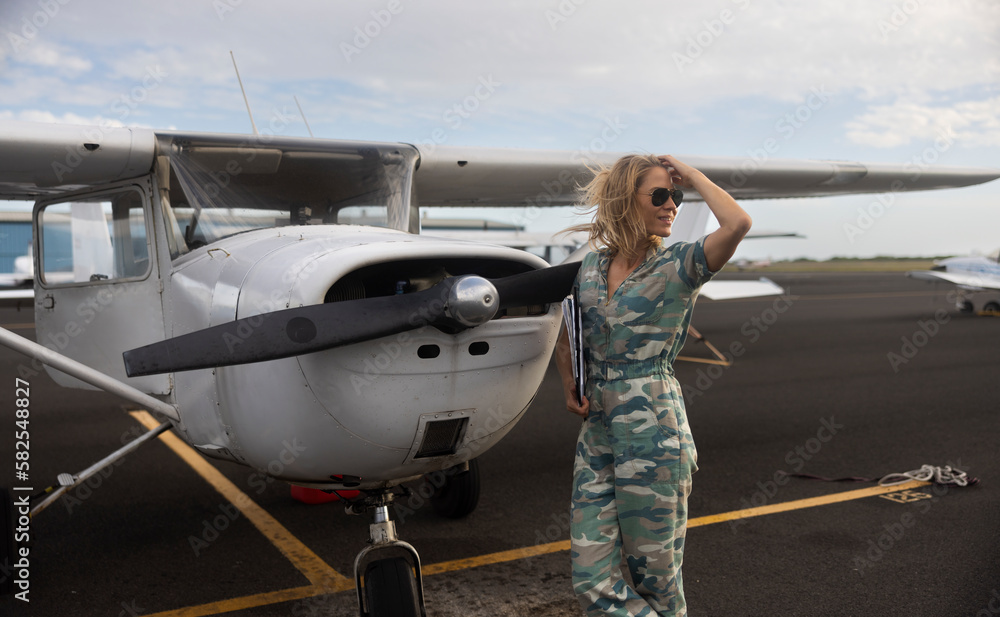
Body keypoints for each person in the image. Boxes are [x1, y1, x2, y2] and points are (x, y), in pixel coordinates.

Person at [556, 153, 751, 616]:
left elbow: (738, 223)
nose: (672, 206)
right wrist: (568, 381)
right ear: (626, 199)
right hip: (598, 435)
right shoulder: (590, 268)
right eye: (661, 195)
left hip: (655, 434)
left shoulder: (681, 265)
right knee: (591, 580)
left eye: (676, 196)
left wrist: (694, 176)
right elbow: (568, 330)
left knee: (657, 583)